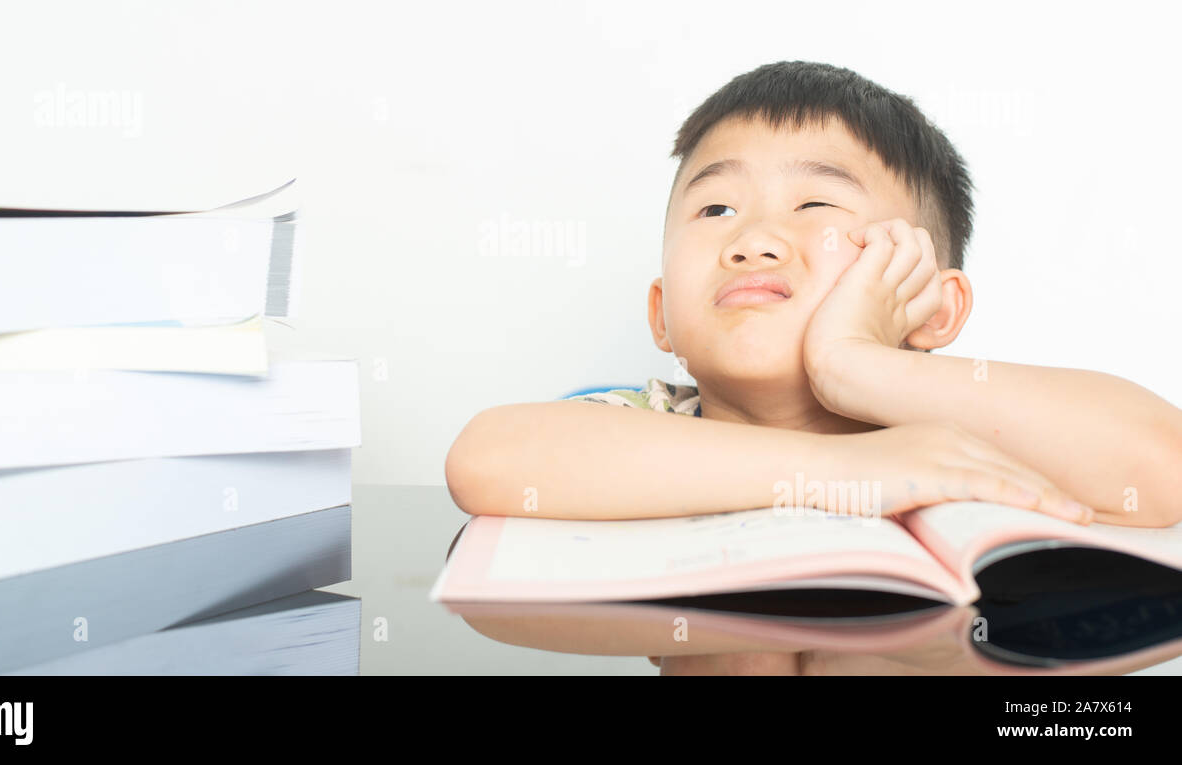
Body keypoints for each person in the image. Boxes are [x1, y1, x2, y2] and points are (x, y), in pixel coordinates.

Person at [445, 60, 1182, 529]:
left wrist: (857, 365)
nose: (753, 239)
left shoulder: (962, 441)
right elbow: (485, 456)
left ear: (932, 304)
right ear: (660, 311)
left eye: (816, 207)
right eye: (716, 210)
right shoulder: (640, 423)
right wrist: (839, 473)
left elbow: (1164, 468)